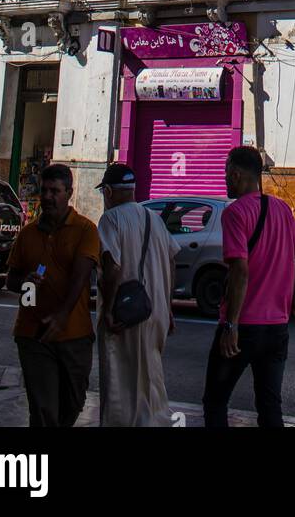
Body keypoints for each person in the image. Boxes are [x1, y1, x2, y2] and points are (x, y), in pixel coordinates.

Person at [203, 145, 295, 428]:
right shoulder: (281, 209)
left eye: (227, 173)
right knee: (269, 405)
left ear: (237, 174)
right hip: (277, 327)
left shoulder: (235, 213)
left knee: (215, 402)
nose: (225, 179)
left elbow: (239, 269)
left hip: (245, 327)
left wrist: (231, 326)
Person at [6, 163, 100, 428]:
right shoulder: (27, 234)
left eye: (54, 191)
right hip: (32, 334)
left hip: (74, 334)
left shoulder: (85, 230)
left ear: (68, 193)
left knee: (73, 402)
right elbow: (11, 280)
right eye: (44, 190)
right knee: (43, 410)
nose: (47, 197)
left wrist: (62, 316)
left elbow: (81, 277)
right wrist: (25, 283)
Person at [96, 163, 181, 426]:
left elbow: (112, 267)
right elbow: (172, 261)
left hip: (125, 315)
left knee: (121, 382)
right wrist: (167, 308)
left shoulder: (110, 219)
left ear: (108, 191)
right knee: (150, 382)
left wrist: (108, 310)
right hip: (154, 311)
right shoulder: (153, 218)